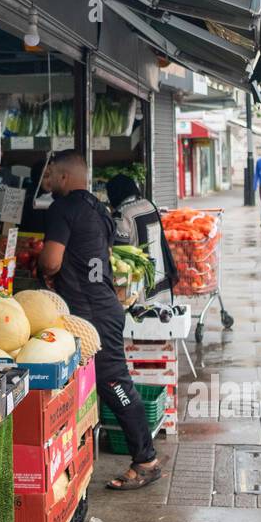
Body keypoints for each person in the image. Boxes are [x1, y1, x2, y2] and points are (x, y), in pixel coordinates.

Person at [38, 151, 162, 489]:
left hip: (89, 314)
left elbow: (51, 262)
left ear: (64, 177)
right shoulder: (99, 208)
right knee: (102, 383)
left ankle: (146, 459)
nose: (47, 182)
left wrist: (43, 271)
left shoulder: (62, 210)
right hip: (103, 307)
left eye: (50, 175)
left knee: (114, 383)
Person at [106, 173, 177, 302]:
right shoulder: (149, 204)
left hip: (140, 291)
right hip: (162, 284)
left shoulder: (122, 215)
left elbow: (119, 259)